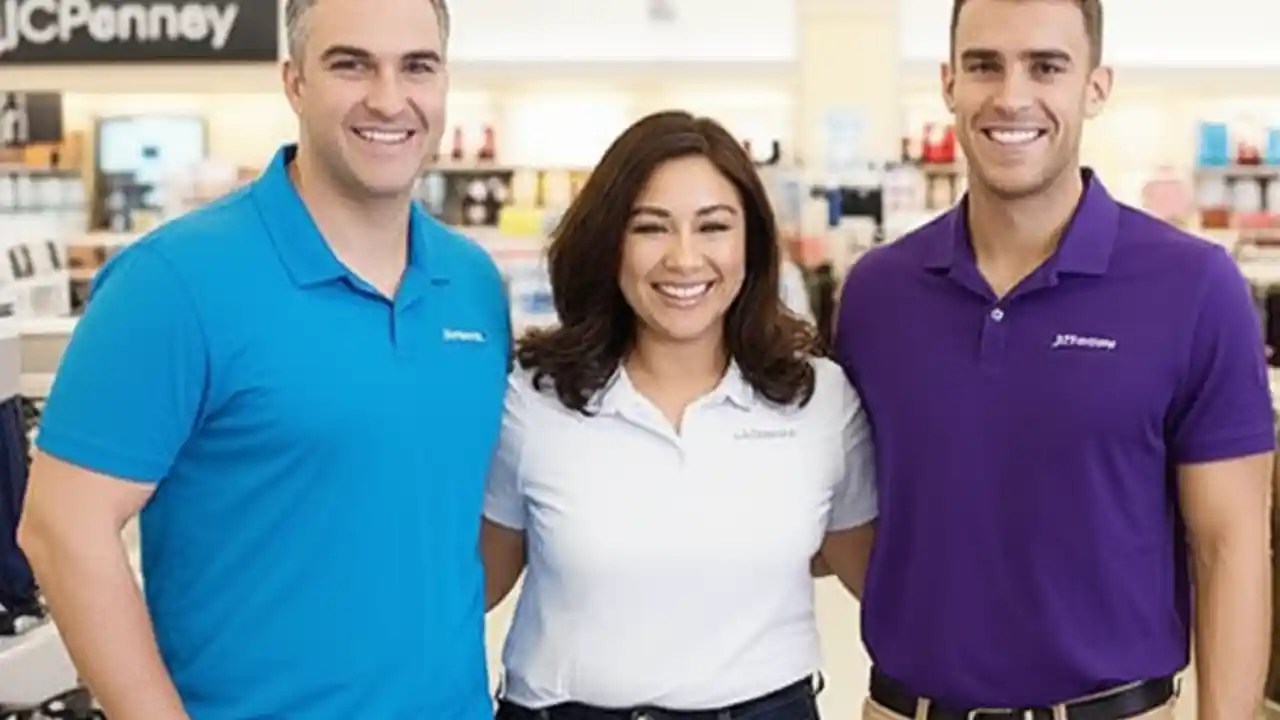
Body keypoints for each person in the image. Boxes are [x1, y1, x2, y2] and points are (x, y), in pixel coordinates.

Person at [17, 0, 510, 717]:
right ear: (294, 82)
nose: (388, 98)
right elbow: (62, 528)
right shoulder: (174, 283)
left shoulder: (471, 285)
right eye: (351, 64)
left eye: (417, 67)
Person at [835, 0, 1275, 718]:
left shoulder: (1194, 287)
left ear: (1095, 87)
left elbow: (1230, 547)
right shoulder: (877, 294)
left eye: (1046, 66)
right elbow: (858, 512)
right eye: (984, 65)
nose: (1012, 96)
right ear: (948, 82)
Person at [480, 110, 878, 719]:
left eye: (714, 226)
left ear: (753, 243)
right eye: (651, 228)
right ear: (609, 240)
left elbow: (885, 583)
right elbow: (471, 587)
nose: (685, 259)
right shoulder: (534, 400)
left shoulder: (817, 399)